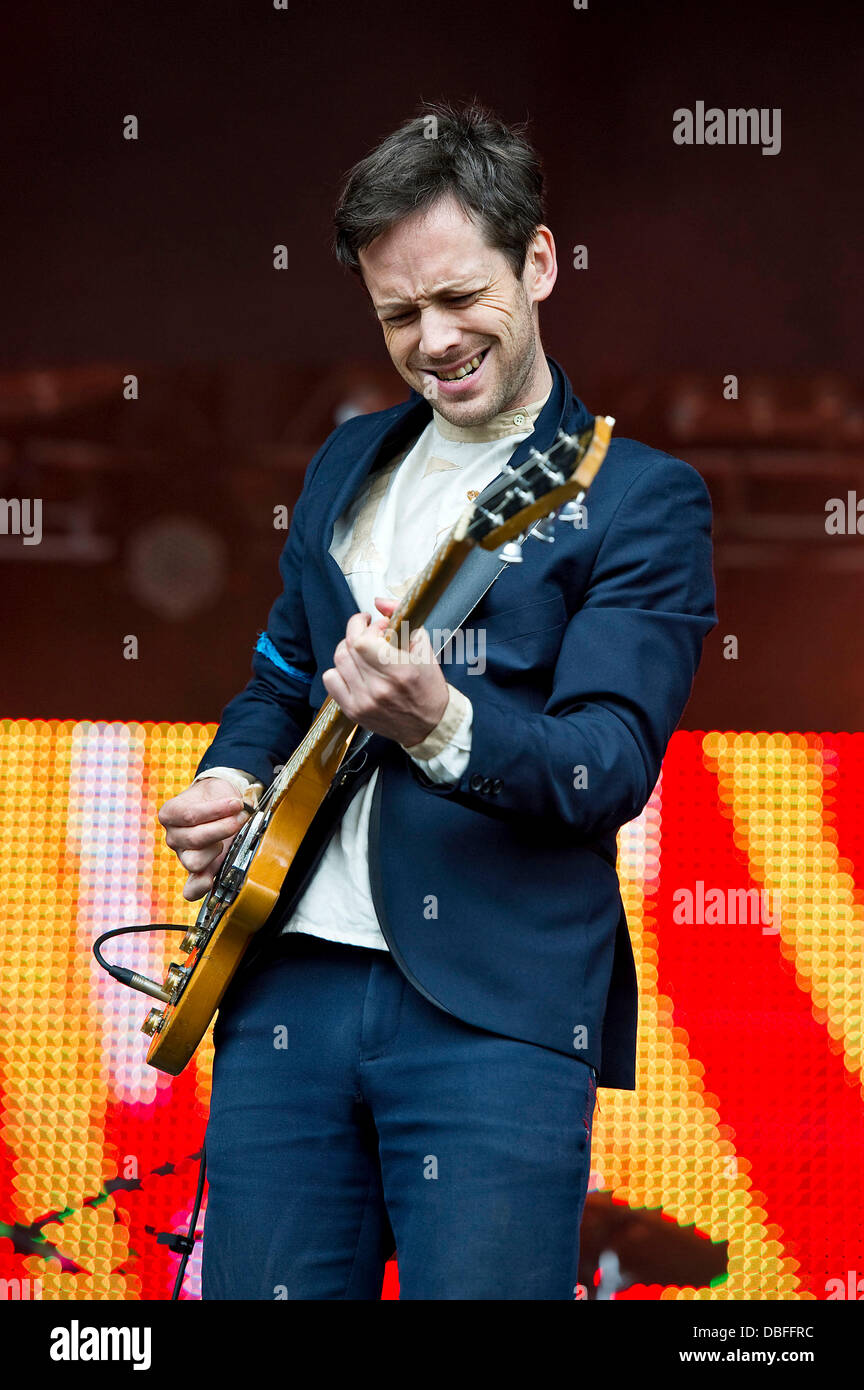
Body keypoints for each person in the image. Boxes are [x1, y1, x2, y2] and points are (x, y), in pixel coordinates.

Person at [158, 102, 717, 1300]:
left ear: (542, 260)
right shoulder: (343, 461)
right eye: (399, 313)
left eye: (463, 297)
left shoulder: (636, 497)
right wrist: (229, 779)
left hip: (493, 1013)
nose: (436, 338)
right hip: (285, 983)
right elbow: (277, 678)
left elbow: (609, 764)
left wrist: (440, 722)